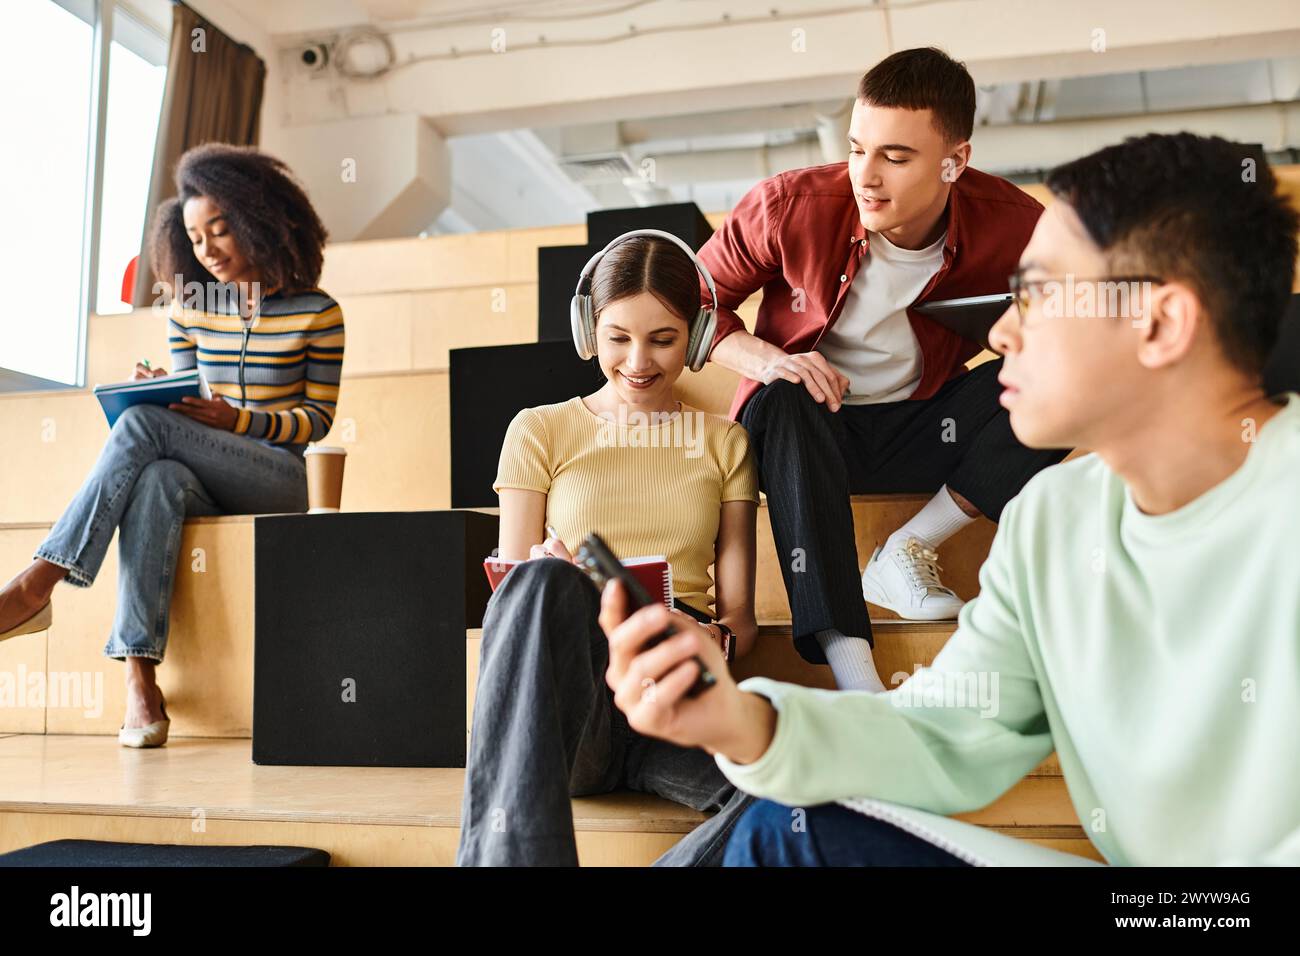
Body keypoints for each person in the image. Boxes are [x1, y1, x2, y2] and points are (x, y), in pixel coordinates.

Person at [597, 132, 1300, 866]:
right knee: (781, 833)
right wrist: (740, 721)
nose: (999, 330)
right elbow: (947, 734)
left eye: (1036, 295)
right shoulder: (1054, 520)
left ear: (1159, 324)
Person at [697, 47, 1068, 692]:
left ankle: (909, 548)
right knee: (784, 399)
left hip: (925, 428)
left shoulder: (1015, 224)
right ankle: (857, 676)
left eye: (896, 157)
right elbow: (693, 301)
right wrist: (772, 359)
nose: (866, 176)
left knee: (1066, 373)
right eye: (856, 148)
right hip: (804, 435)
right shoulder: (791, 203)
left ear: (955, 161)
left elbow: (1081, 322)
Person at [0, 143, 344, 748]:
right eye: (195, 235)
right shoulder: (189, 313)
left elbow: (316, 420)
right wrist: (163, 394)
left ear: (258, 221)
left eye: (220, 229)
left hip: (277, 477)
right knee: (153, 474)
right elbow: (185, 406)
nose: (208, 249)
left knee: (143, 434)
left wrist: (233, 419)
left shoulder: (318, 313)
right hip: (200, 473)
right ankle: (141, 681)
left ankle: (39, 583)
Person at [456, 231, 760, 866]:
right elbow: (510, 592)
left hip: (674, 696)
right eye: (618, 338)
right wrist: (555, 578)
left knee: (791, 796)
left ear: (699, 334)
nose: (638, 361)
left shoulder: (725, 442)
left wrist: (715, 639)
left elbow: (741, 621)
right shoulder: (539, 429)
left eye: (663, 339)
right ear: (587, 331)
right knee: (540, 582)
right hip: (576, 708)